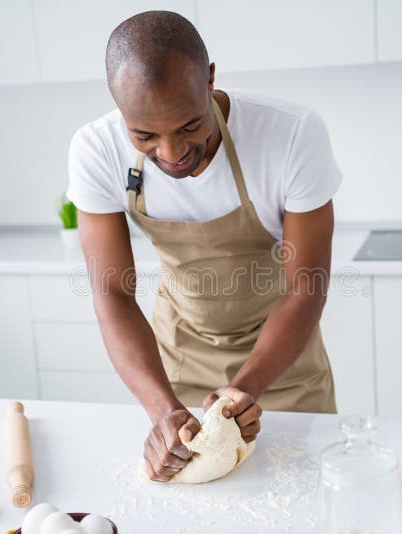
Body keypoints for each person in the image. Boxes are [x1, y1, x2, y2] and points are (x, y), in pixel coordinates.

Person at [67, 11, 342, 482]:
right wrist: (161, 409)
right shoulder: (96, 149)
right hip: (177, 363)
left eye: (190, 126)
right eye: (145, 136)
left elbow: (306, 288)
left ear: (210, 78)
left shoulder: (290, 133)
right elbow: (112, 294)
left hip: (284, 368)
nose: (172, 154)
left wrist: (245, 388)